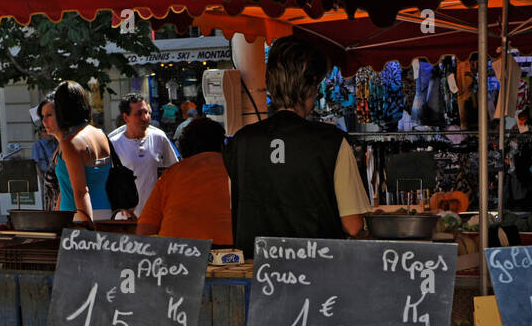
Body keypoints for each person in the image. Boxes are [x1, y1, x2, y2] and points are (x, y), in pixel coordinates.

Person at [222, 37, 371, 258]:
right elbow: (353, 225)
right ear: (310, 84)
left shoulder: (240, 142)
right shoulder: (332, 141)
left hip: (259, 274)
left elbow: (239, 208)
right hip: (316, 272)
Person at [137, 117, 232, 245]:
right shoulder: (234, 169)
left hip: (177, 252)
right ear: (222, 145)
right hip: (229, 252)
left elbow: (145, 229)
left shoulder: (171, 174)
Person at [47, 80, 114, 223]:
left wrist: (87, 228)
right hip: (106, 212)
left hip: (79, 218)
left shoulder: (71, 143)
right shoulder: (101, 135)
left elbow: (81, 192)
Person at [108, 93, 179, 215]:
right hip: (126, 220)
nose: (145, 118)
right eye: (138, 114)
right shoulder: (113, 144)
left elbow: (173, 173)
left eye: (146, 112)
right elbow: (107, 182)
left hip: (157, 215)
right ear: (126, 117)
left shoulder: (159, 138)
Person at [32, 100, 60, 210]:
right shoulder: (38, 145)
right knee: (47, 198)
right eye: (43, 131)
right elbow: (35, 163)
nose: (46, 132)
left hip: (56, 175)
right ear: (40, 133)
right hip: (44, 175)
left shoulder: (55, 142)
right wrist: (41, 177)